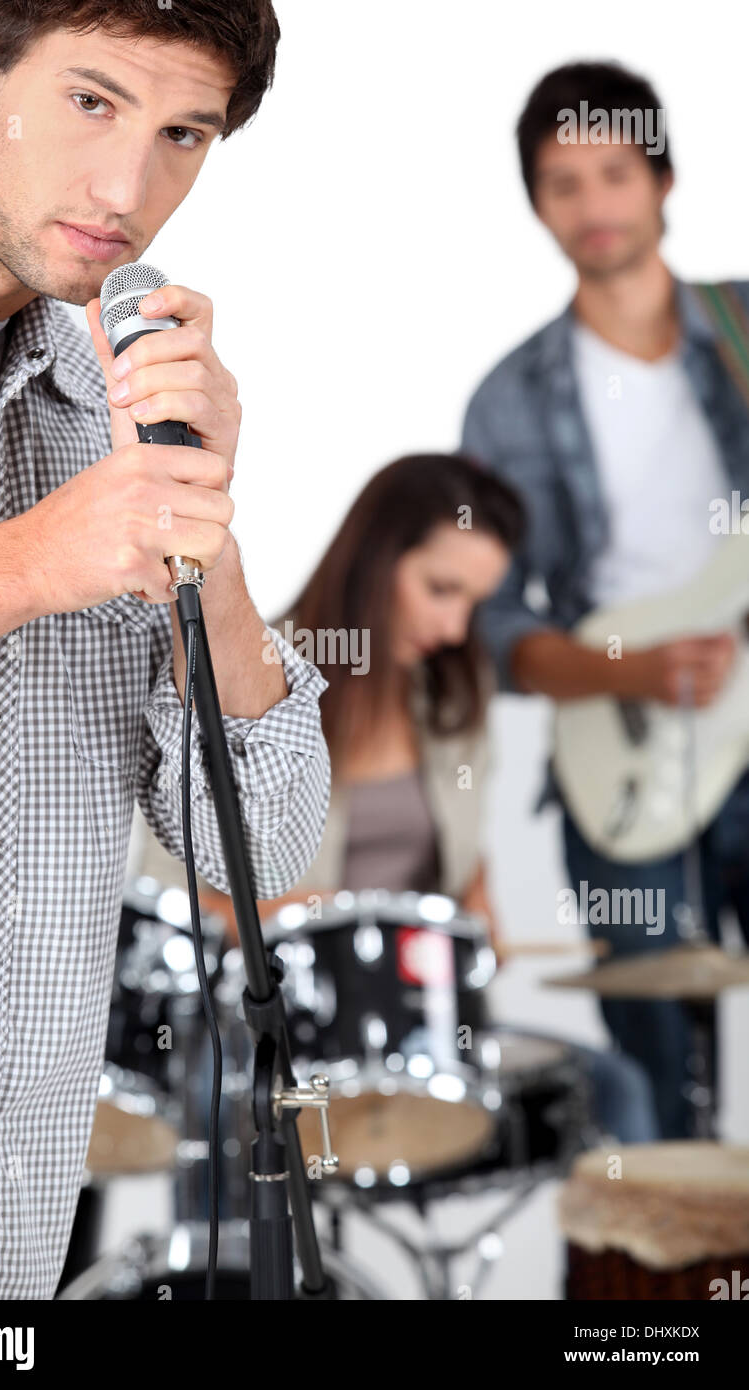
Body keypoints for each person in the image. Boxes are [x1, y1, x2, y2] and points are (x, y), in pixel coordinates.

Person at [0, 0, 331, 1301]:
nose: (129, 188)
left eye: (182, 132)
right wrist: (37, 558)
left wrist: (206, 535)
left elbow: (256, 832)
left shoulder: (109, 403)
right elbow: (45, 563)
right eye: (92, 101)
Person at [140, 451, 659, 1143]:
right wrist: (278, 916)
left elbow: (461, 851)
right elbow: (169, 894)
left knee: (614, 1092)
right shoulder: (249, 679)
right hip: (279, 1029)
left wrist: (479, 905)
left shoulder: (453, 698)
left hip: (419, 1032)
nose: (454, 627)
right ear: (375, 562)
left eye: (473, 603)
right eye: (442, 589)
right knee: (223, 1105)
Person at [460, 60, 749, 1140]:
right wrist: (628, 670)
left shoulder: (738, 328)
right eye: (560, 183)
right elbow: (486, 627)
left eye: (612, 174)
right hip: (617, 755)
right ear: (534, 201)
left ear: (661, 179)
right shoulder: (506, 398)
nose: (590, 205)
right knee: (657, 1101)